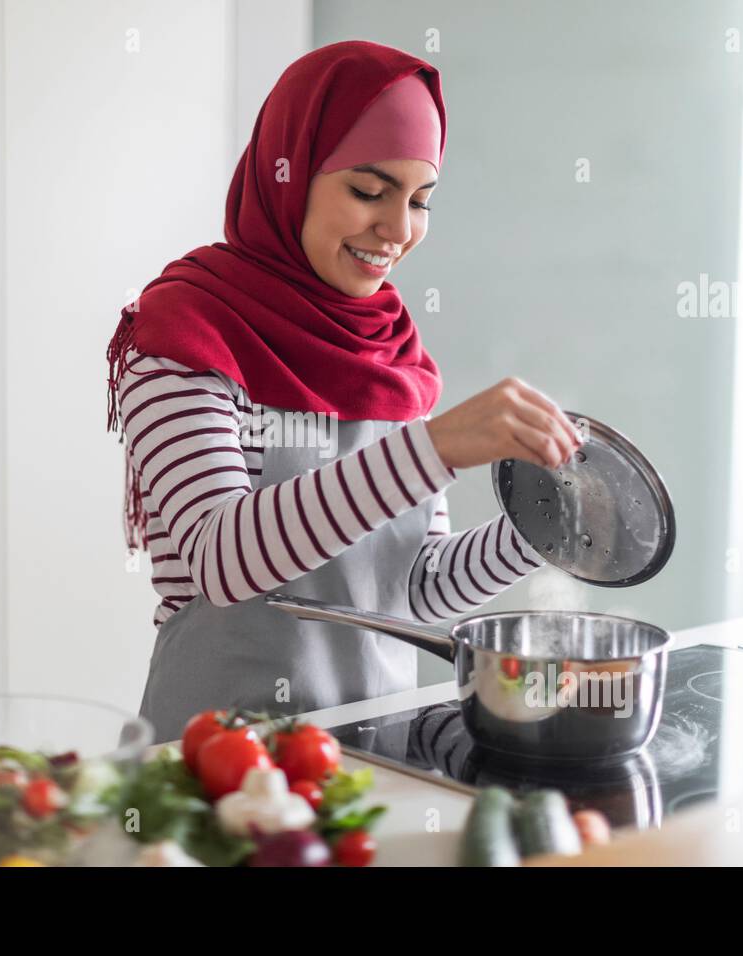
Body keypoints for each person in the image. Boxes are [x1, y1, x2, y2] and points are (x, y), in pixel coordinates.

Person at [105, 40, 582, 743]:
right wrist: (437, 446)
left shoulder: (390, 351)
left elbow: (414, 591)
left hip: (373, 754)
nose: (398, 230)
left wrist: (542, 528)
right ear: (290, 173)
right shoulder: (182, 329)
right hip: (214, 767)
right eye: (368, 191)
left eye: (420, 201)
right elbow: (223, 559)